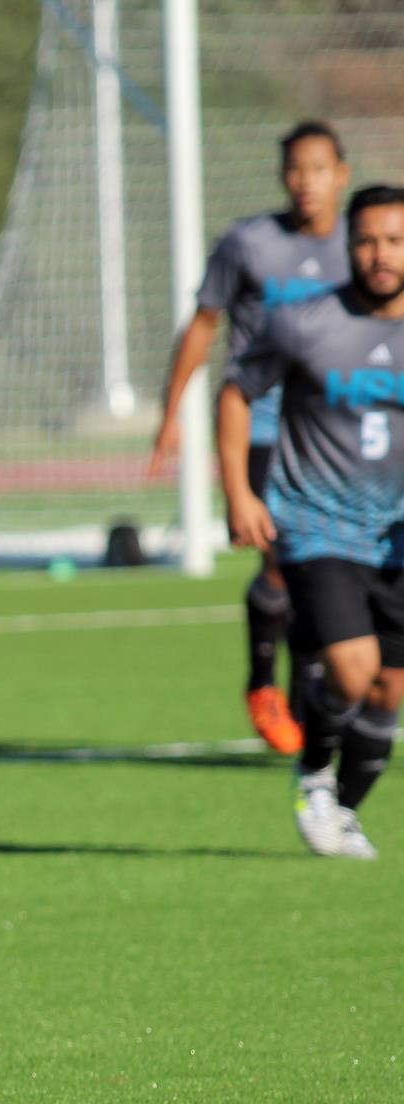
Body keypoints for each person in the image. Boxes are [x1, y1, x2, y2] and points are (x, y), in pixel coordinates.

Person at [153, 121, 352, 752]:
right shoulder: (249, 244)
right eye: (295, 169)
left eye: (318, 169)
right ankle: (266, 683)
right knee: (283, 554)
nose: (306, 182)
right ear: (282, 175)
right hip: (263, 425)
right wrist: (171, 410)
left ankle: (304, 696)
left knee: (327, 565)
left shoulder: (367, 246)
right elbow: (203, 324)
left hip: (337, 433)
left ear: (340, 174)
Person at [220, 182, 404, 859]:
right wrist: (240, 491)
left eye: (393, 240)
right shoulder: (306, 321)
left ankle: (343, 810)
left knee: (389, 687)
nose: (379, 255)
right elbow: (238, 391)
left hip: (396, 534)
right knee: (353, 670)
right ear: (347, 246)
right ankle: (314, 771)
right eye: (366, 241)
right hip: (317, 523)